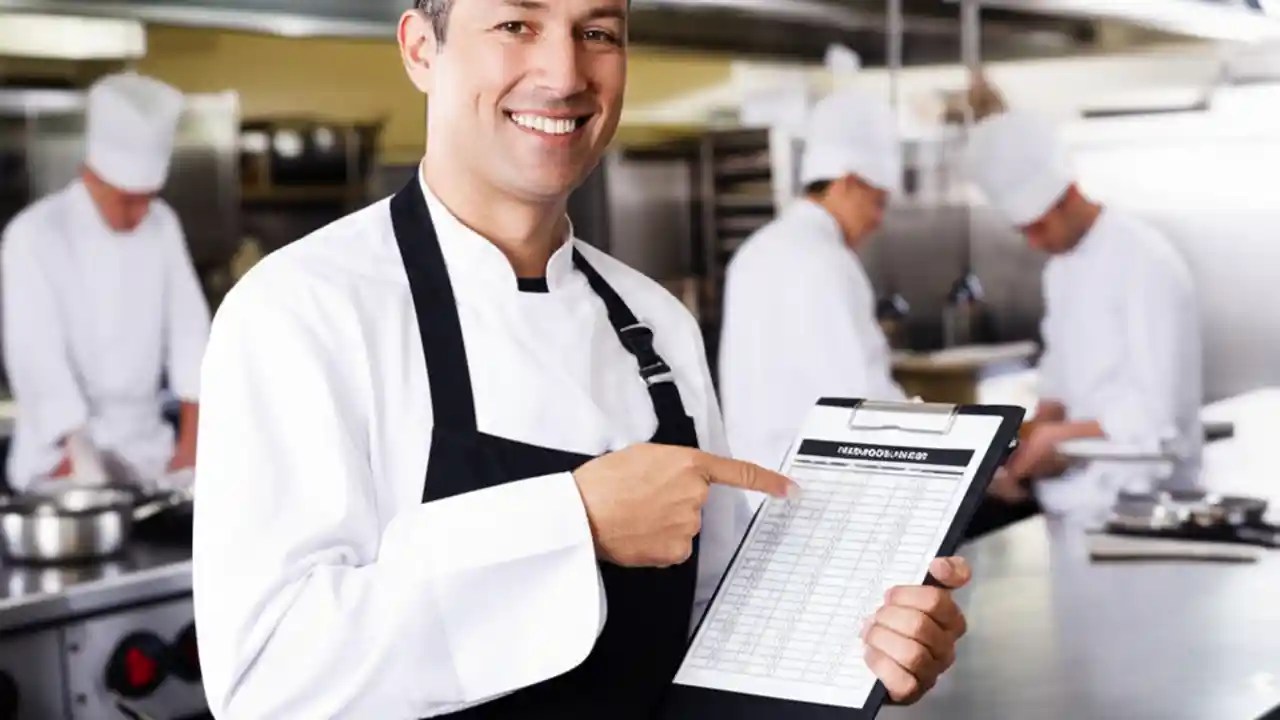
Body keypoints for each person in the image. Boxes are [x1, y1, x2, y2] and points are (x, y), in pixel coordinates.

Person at [193, 2, 974, 718]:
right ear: (420, 49)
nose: (565, 75)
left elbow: (715, 639)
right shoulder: (300, 311)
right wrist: (574, 521)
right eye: (516, 26)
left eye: (597, 32)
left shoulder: (656, 326)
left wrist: (864, 645)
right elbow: (266, 681)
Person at [966, 111, 1202, 522]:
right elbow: (1060, 379)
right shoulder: (1060, 269)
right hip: (1075, 501)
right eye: (1025, 232)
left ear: (1069, 194)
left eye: (1039, 227)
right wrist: (1030, 438)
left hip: (1149, 506)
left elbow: (1157, 414)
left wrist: (1060, 438)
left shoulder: (1144, 261)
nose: (1035, 243)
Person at [0, 72, 208, 492]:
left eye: (148, 197)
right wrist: (78, 453)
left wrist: (192, 444)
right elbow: (35, 353)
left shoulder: (162, 224)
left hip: (151, 457)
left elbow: (192, 335)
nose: (138, 214)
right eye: (127, 200)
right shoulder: (35, 233)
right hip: (58, 460)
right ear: (91, 174)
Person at [719, 89, 907, 475]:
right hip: (819, 489)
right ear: (848, 183)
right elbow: (866, 403)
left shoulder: (755, 250)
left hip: (755, 485)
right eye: (878, 201)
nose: (878, 220)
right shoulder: (830, 261)